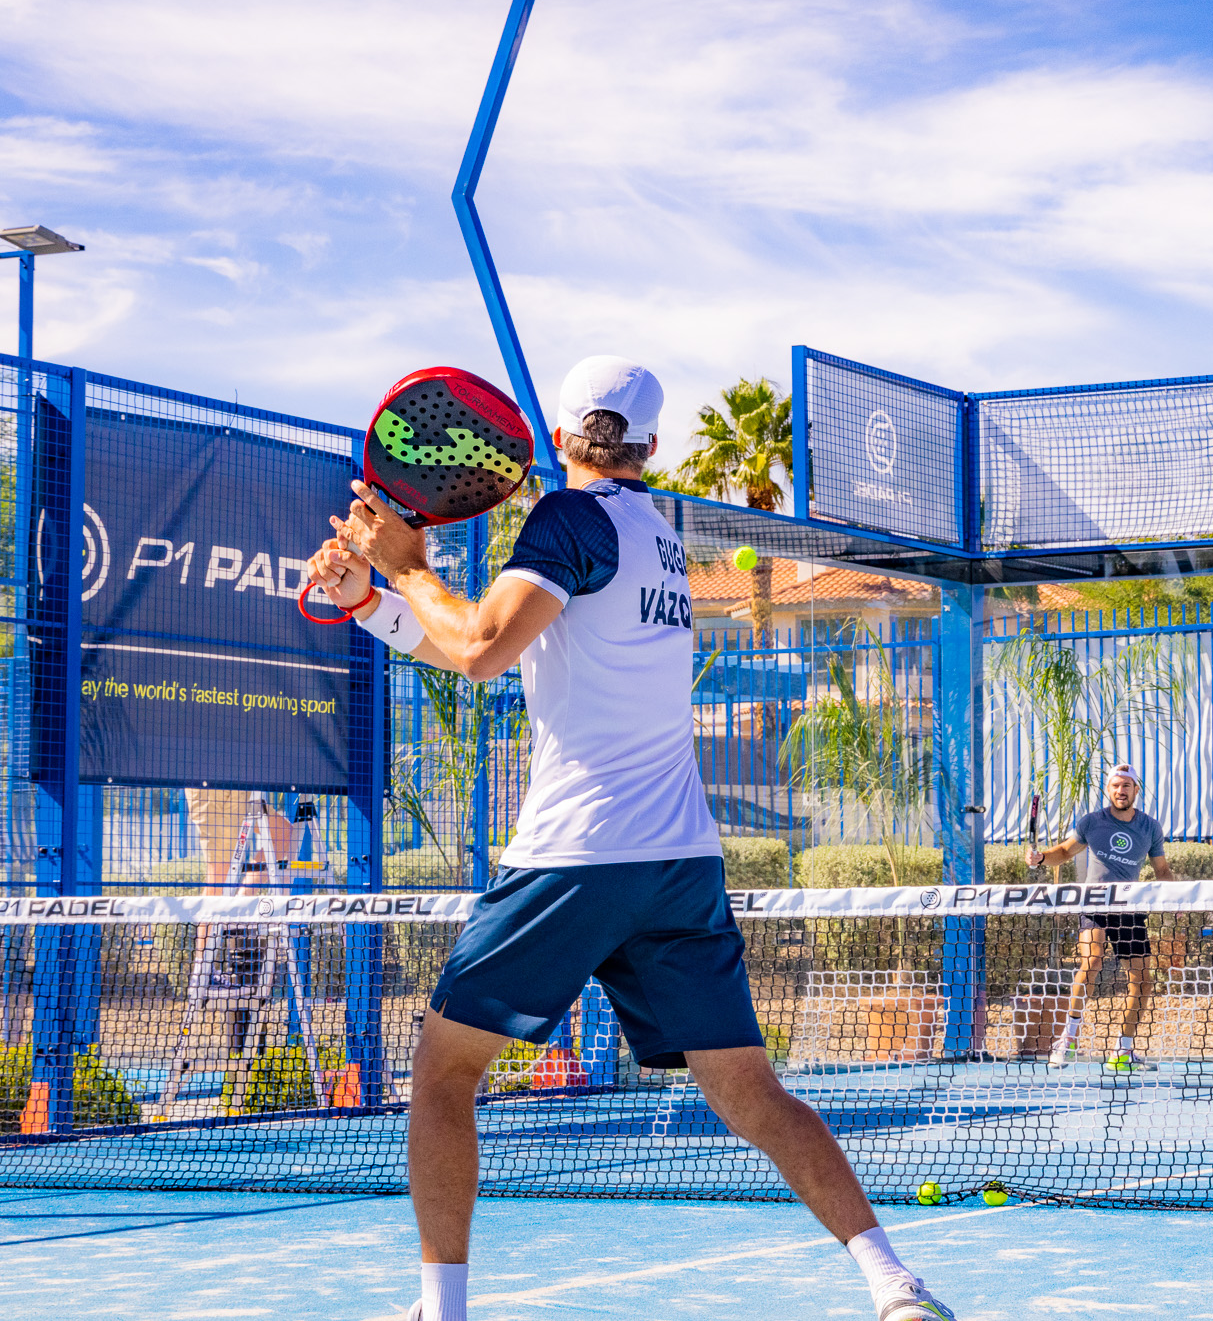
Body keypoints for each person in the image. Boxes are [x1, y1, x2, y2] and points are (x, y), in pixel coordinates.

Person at [307, 356, 955, 1321]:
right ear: (652, 447)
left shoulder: (568, 520)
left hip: (579, 854)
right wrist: (374, 603)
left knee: (443, 1075)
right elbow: (483, 641)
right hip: (677, 862)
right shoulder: (657, 539)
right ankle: (892, 1282)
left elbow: (482, 649)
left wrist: (405, 567)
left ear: (560, 437)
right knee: (749, 1092)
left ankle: (439, 1310)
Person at [1024, 764, 1173, 1072]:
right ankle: (1068, 1039)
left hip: (1129, 908)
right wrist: (1041, 859)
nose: (1121, 791)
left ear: (1135, 791)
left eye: (1127, 786)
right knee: (1090, 962)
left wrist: (1177, 897)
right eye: (1116, 786)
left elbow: (1161, 870)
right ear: (1109, 790)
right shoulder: (1092, 822)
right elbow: (1064, 852)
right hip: (1095, 904)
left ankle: (1123, 1051)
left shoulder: (1150, 827)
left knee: (1142, 981)